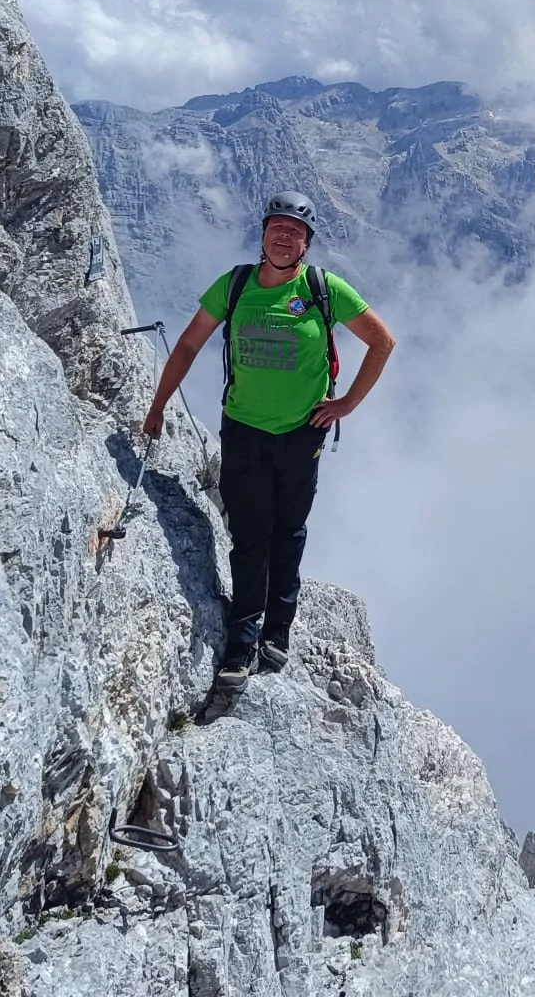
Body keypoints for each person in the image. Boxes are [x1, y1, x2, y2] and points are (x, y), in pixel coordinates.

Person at [141, 190, 396, 693]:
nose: (284, 236)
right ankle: (243, 639)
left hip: (303, 432)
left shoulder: (323, 289)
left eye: (295, 232)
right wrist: (157, 405)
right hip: (243, 429)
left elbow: (382, 342)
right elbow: (188, 344)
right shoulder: (235, 285)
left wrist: (347, 404)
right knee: (250, 535)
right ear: (262, 235)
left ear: (306, 244)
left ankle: (279, 626)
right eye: (277, 227)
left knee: (289, 530)